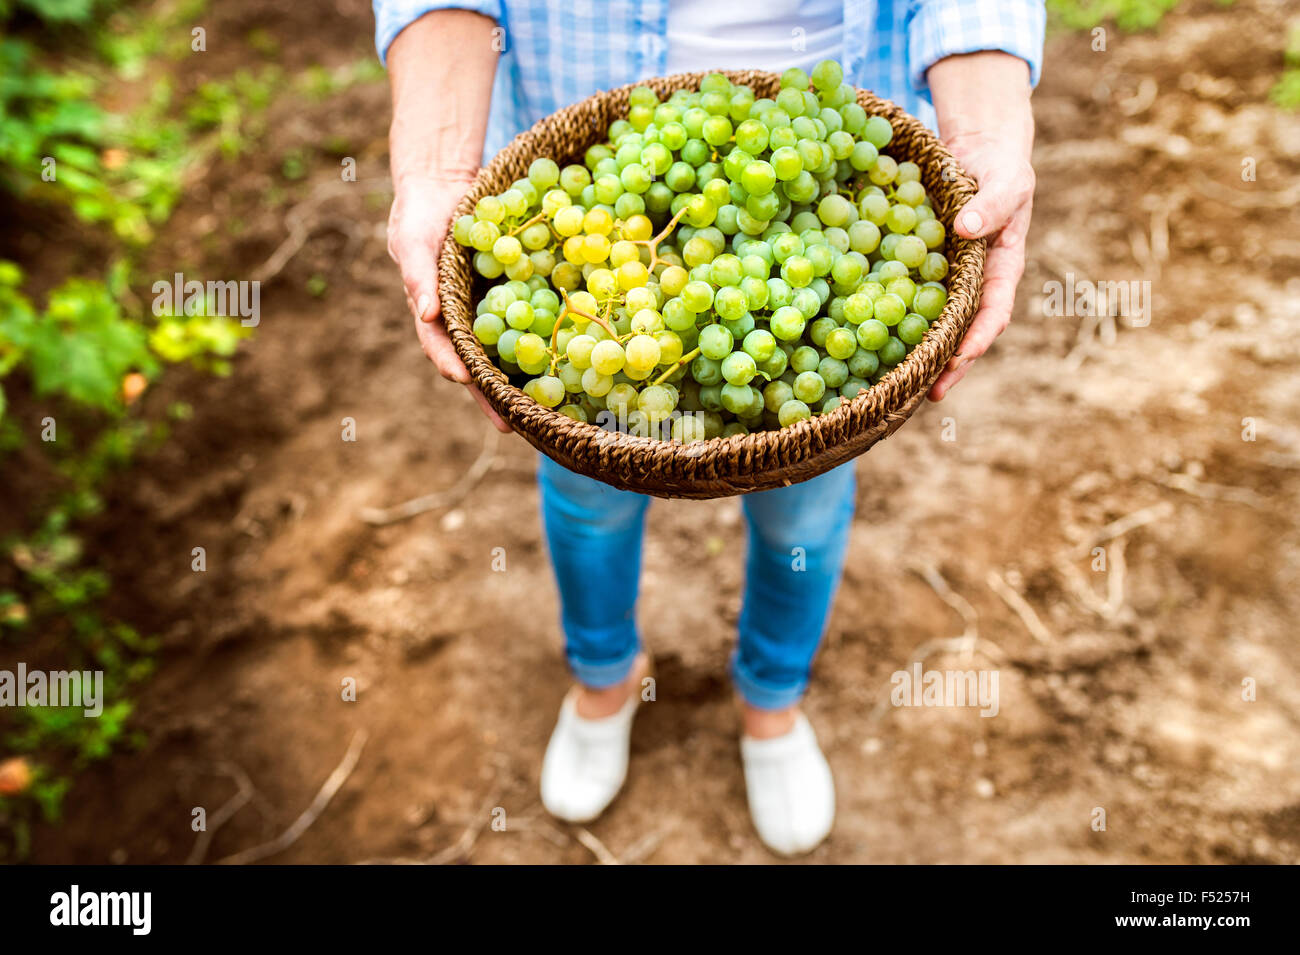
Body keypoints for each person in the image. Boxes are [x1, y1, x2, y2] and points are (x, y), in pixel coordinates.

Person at [375, 0, 1044, 855]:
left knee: (804, 504)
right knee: (585, 492)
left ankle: (771, 702)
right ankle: (605, 679)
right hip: (584, 154)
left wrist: (989, 129)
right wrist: (434, 165)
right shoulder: (599, 272)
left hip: (830, 146)